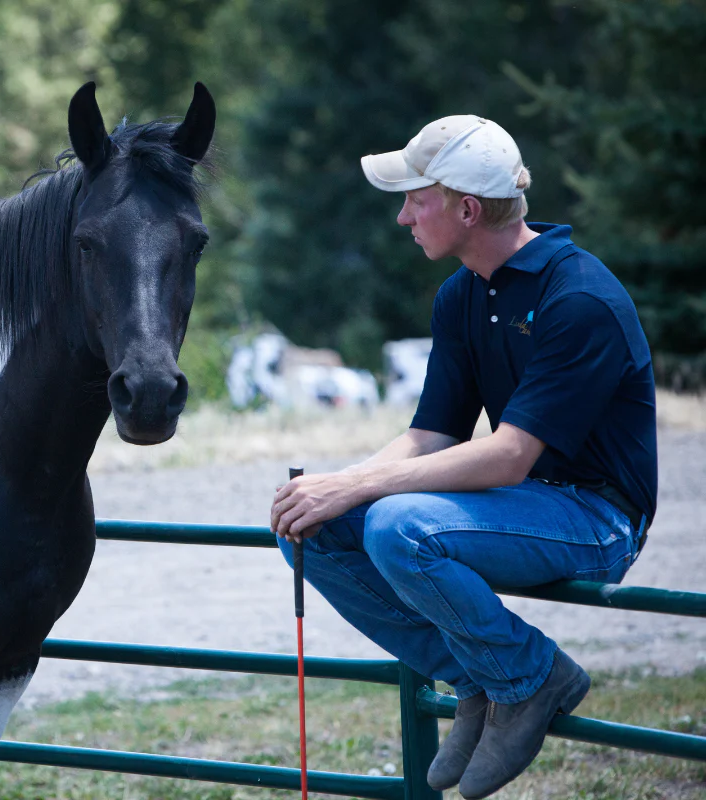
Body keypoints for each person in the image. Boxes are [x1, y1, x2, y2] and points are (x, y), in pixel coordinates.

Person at [269, 115, 656, 799]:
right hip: (521, 504)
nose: (402, 217)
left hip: (599, 518)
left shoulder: (578, 297)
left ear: (467, 210)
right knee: (311, 529)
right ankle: (478, 678)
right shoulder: (463, 293)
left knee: (400, 527)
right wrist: (337, 487)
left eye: (416, 201)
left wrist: (359, 489)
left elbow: (508, 457)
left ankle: (531, 677)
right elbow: (432, 433)